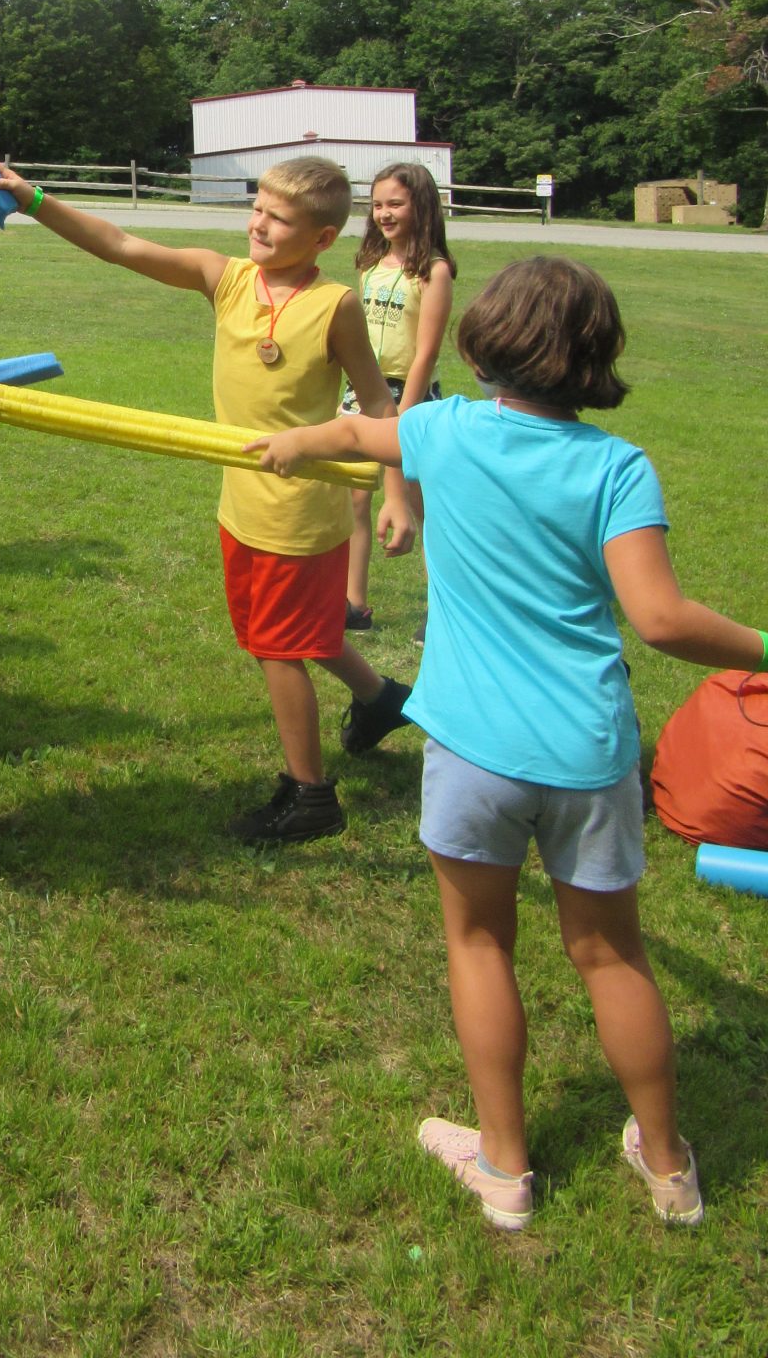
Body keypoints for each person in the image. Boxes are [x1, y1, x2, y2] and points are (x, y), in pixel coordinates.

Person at [255, 255, 766, 1230]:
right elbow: (659, 618)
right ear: (594, 356)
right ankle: (667, 1165)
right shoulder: (618, 465)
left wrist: (294, 443)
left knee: (480, 939)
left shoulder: (445, 430)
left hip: (472, 750)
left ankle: (505, 1167)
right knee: (613, 953)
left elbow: (359, 431)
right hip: (588, 751)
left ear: (485, 338)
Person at [0, 156, 416, 843]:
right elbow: (121, 245)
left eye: (280, 219)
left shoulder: (332, 304)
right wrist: (36, 200)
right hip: (241, 499)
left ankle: (310, 795)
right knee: (285, 631)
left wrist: (397, 492)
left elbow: (375, 403)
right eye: (259, 209)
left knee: (280, 648)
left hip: (300, 508)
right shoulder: (227, 280)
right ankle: (381, 699)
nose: (260, 224)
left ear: (322, 238)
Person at [344, 164, 455, 635]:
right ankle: (353, 605)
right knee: (352, 500)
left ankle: (443, 611)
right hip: (362, 392)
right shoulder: (370, 263)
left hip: (410, 395)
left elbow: (426, 351)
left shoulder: (434, 271)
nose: (384, 213)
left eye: (395, 204)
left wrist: (404, 412)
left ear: (421, 206)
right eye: (377, 204)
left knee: (421, 505)